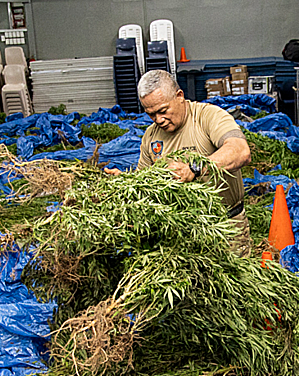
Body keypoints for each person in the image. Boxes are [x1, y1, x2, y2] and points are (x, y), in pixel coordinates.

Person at [106, 70, 253, 256]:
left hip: (225, 228)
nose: (159, 120)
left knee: (233, 281)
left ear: (179, 96)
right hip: (180, 234)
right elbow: (145, 185)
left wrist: (196, 168)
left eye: (163, 111)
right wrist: (127, 183)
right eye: (151, 114)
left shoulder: (208, 117)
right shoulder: (150, 138)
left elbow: (240, 150)